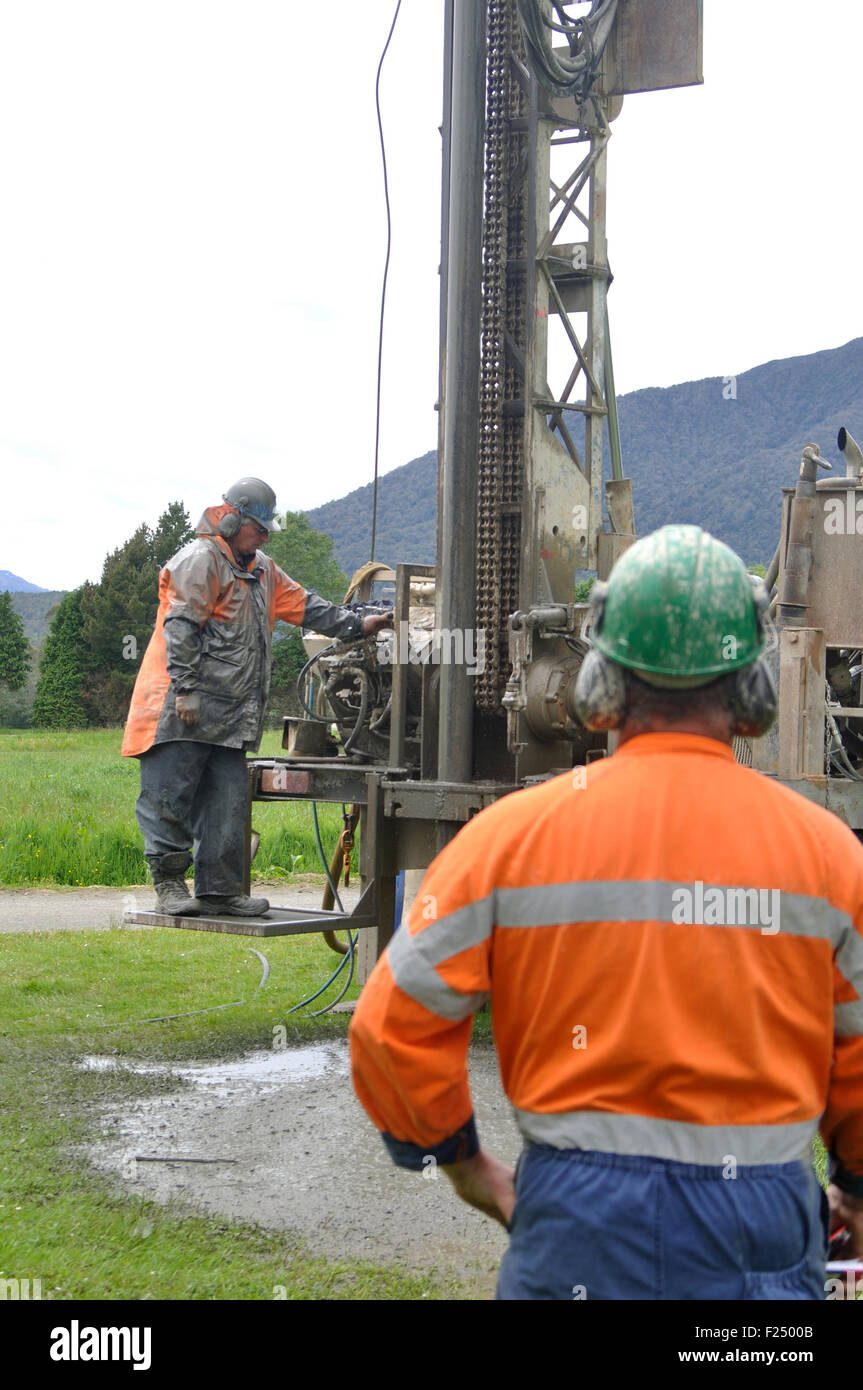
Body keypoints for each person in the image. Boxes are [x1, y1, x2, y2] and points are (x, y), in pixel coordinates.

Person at [349, 524, 863, 1300]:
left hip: (575, 1219)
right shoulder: (827, 853)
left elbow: (392, 1026)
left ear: (601, 678)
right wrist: (852, 1185)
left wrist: (466, 1166)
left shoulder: (510, 837)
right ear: (749, 684)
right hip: (756, 1215)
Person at [122, 478, 391, 917]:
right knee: (169, 799)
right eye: (259, 528)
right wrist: (186, 690)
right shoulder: (199, 561)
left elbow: (306, 606)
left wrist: (358, 625)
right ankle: (170, 886)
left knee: (227, 804)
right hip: (178, 710)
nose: (265, 536)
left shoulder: (263, 569)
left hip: (229, 717)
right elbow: (183, 628)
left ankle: (220, 891)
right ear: (231, 519)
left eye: (267, 530)